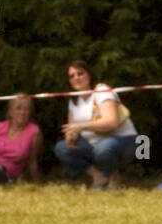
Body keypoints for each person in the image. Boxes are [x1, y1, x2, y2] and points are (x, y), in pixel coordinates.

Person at [54, 59, 139, 190]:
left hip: (124, 141)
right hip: (93, 146)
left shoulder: (101, 91)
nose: (76, 78)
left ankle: (114, 179)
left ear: (89, 74)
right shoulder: (74, 99)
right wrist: (70, 136)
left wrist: (82, 126)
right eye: (72, 76)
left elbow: (111, 123)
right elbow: (72, 127)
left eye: (80, 73)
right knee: (62, 148)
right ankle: (98, 177)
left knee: (103, 148)